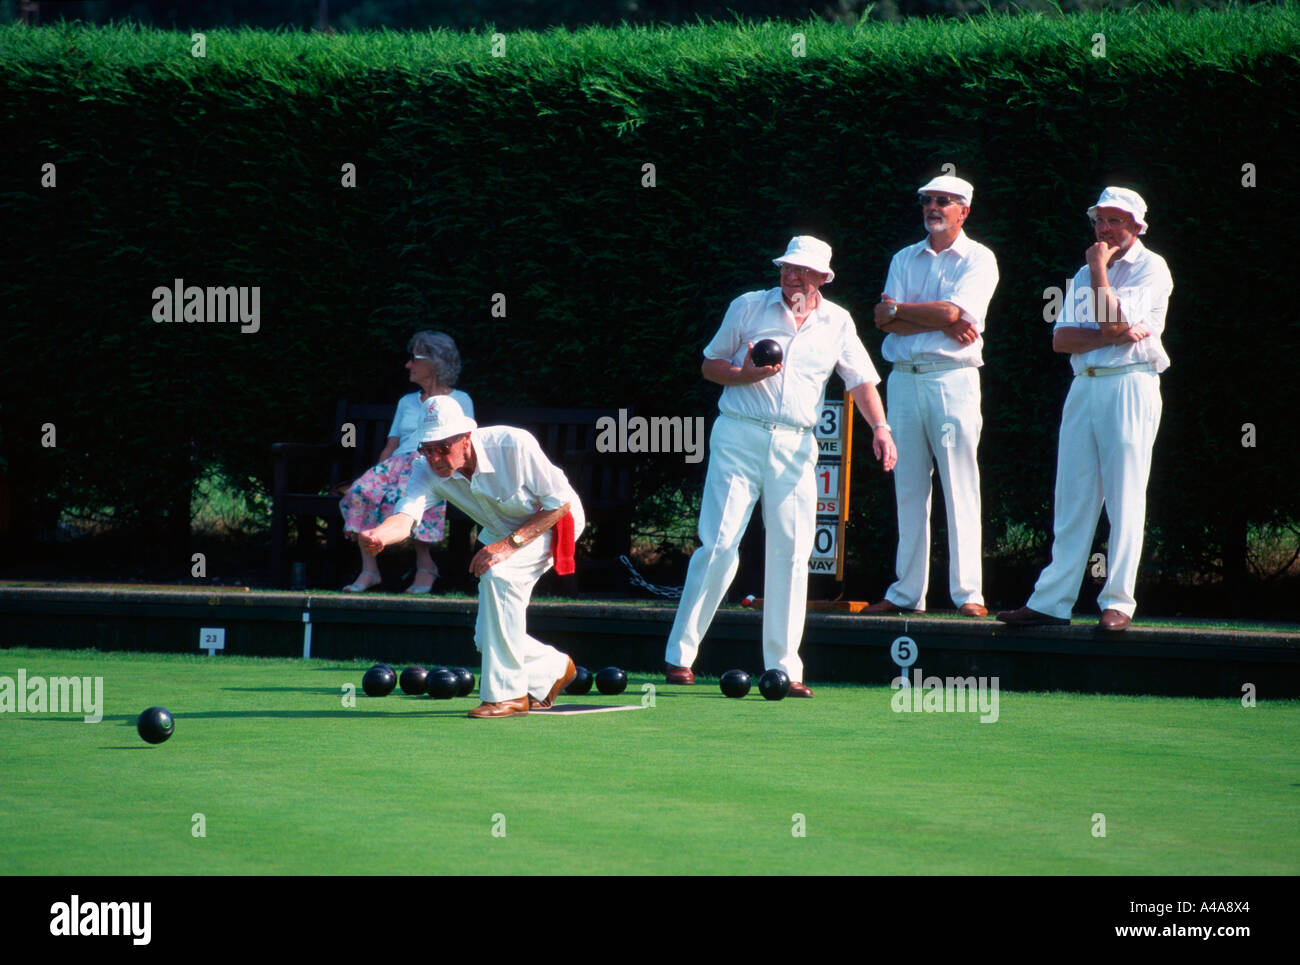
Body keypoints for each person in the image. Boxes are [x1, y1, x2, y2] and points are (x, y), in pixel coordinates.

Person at [664, 236, 897, 697]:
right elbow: (710, 364)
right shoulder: (749, 306)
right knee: (718, 545)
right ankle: (680, 655)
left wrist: (882, 428)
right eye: (787, 267)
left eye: (801, 270)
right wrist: (744, 375)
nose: (791, 276)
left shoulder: (838, 322)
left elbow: (862, 380)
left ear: (822, 278)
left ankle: (785, 670)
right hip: (739, 434)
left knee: (792, 553)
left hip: (795, 444)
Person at [998, 186, 1172, 631]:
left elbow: (1112, 321)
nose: (1106, 228)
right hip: (1085, 385)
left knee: (1126, 495)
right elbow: (1062, 340)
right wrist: (1110, 332)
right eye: (1101, 220)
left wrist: (1098, 271)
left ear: (1136, 225)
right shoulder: (1080, 274)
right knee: (1072, 496)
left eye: (1115, 220)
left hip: (1131, 384)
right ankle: (1052, 600)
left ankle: (1118, 601)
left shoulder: (1152, 268)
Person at [359, 395, 582, 718]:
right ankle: (554, 667)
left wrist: (507, 546)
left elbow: (559, 503)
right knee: (486, 637)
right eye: (427, 448)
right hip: (502, 530)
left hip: (552, 521)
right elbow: (406, 518)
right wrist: (379, 535)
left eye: (442, 447)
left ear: (466, 438)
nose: (434, 457)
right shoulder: (425, 469)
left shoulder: (513, 445)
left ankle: (507, 695)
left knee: (499, 574)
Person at [864, 174, 1000, 618]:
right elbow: (884, 320)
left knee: (960, 483)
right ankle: (906, 593)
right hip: (903, 378)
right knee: (907, 486)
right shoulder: (904, 257)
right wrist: (938, 317)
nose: (932, 207)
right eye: (926, 200)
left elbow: (945, 313)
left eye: (943, 201)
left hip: (952, 378)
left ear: (965, 209)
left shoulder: (980, 258)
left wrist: (910, 312)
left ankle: (968, 595)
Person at [340, 331, 473, 594]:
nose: (407, 365)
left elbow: (465, 445)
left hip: (434, 463)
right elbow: (391, 445)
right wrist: (376, 474)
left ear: (435, 361)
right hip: (398, 463)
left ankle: (426, 567)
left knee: (413, 496)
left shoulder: (460, 400)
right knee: (361, 491)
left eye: (414, 358)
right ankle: (370, 570)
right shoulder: (407, 402)